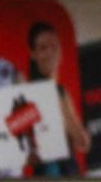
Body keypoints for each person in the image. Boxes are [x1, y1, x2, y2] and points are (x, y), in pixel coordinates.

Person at [25, 22, 90, 173]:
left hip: (69, 170)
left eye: (54, 46)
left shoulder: (61, 91)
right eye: (42, 48)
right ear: (33, 53)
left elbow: (81, 142)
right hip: (48, 174)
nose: (49, 53)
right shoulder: (27, 95)